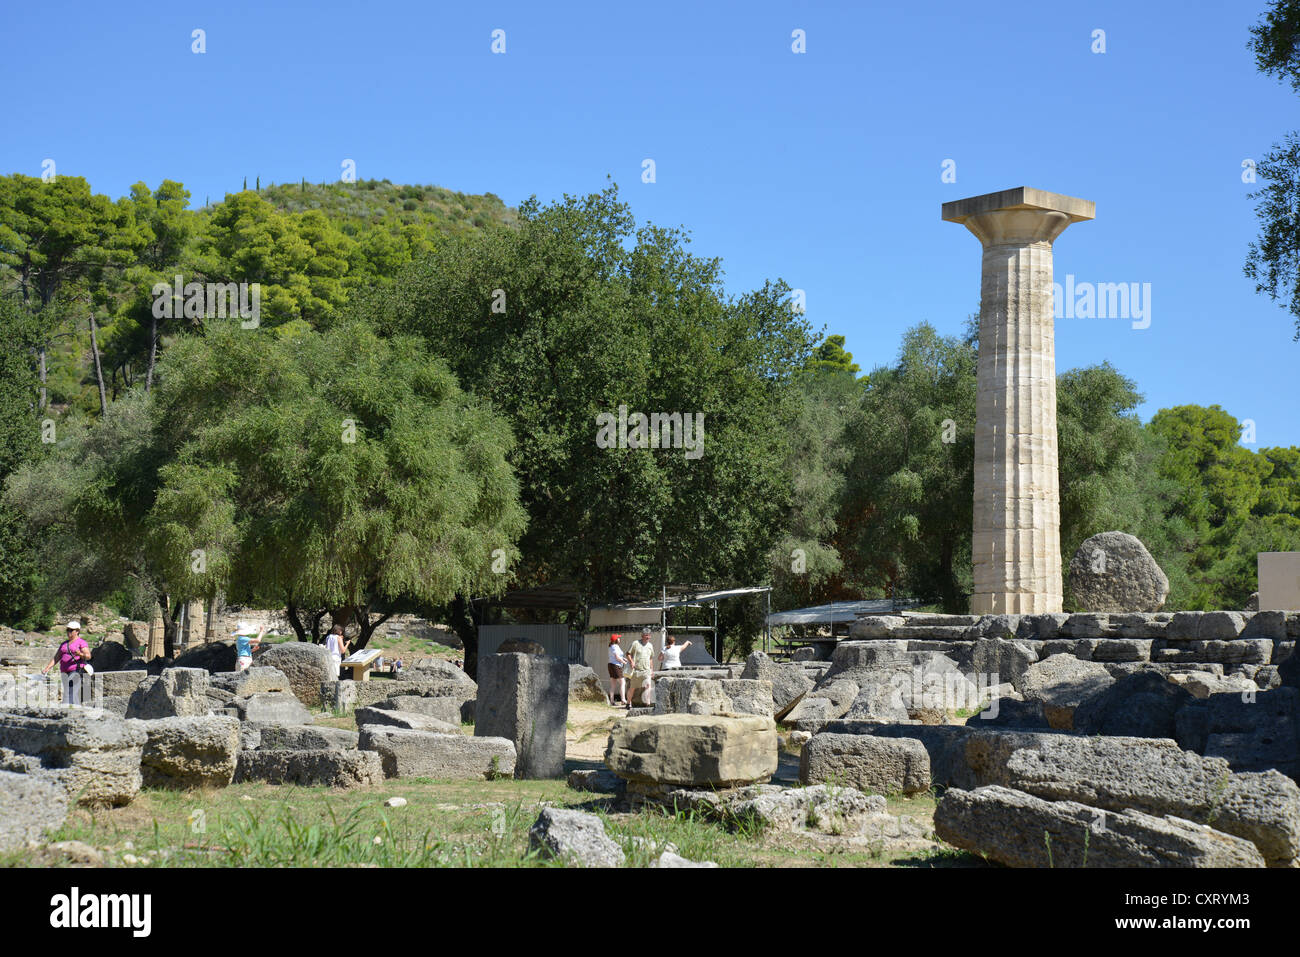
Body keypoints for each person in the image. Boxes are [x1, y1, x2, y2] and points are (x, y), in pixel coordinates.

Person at [42, 620, 91, 706]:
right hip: (64, 672)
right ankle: (75, 708)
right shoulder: (64, 644)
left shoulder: (81, 642)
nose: (69, 632)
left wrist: (79, 654)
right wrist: (47, 668)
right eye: (67, 630)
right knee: (69, 691)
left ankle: (67, 707)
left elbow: (88, 656)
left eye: (71, 630)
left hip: (76, 670)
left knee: (71, 691)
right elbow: (57, 657)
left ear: (77, 631)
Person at [627, 628, 656, 708]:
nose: (648, 637)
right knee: (632, 688)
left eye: (649, 635)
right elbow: (628, 654)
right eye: (646, 635)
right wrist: (631, 661)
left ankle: (647, 704)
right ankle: (628, 703)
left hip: (646, 670)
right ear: (642, 635)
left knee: (648, 686)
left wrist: (652, 670)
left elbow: (651, 658)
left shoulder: (650, 645)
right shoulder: (635, 643)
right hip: (636, 670)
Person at [607, 634, 628, 706]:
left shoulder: (613, 646)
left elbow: (618, 656)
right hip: (615, 666)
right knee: (623, 682)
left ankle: (612, 701)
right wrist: (624, 662)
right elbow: (617, 657)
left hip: (611, 665)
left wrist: (623, 659)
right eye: (618, 638)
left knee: (613, 684)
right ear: (615, 640)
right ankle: (623, 700)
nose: (619, 639)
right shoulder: (614, 647)